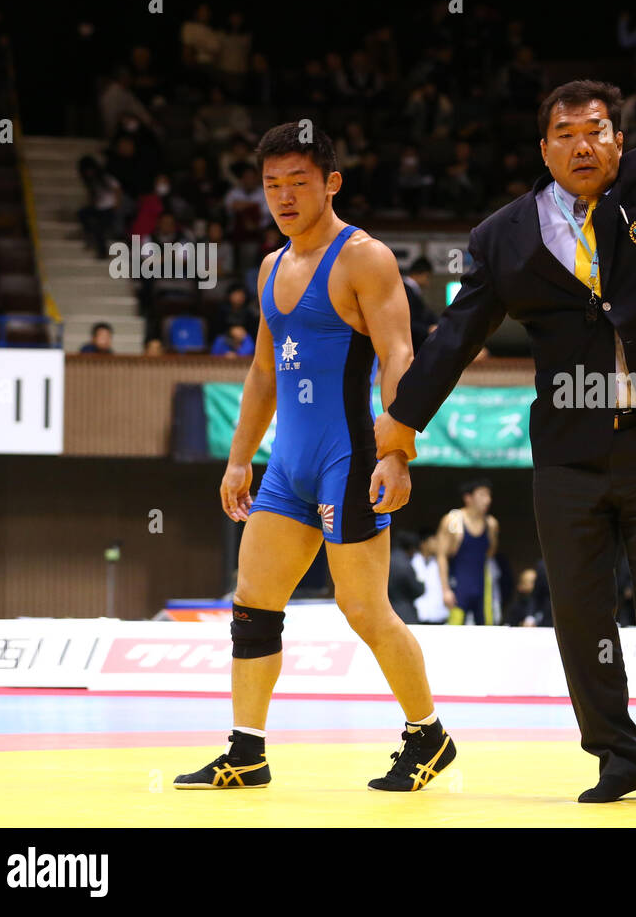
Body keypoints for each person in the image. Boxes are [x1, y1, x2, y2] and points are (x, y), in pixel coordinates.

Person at [374, 0, 636, 809]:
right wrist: (400, 427)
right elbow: (456, 335)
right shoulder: (503, 235)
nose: (582, 145)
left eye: (595, 130)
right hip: (567, 452)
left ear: (618, 136)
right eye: (564, 134)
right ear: (543, 148)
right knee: (579, 616)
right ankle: (617, 755)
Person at [175, 122, 454, 793]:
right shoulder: (272, 267)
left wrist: (398, 451)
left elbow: (398, 355)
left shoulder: (365, 258)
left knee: (364, 609)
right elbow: (264, 375)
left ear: (331, 182)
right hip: (289, 466)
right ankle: (247, 750)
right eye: (271, 185)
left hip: (349, 457)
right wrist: (240, 460)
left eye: (299, 182)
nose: (284, 197)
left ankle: (429, 734)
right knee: (253, 602)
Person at [434, 478, 500, 626]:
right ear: (468, 498)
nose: (487, 500)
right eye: (482, 495)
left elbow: (490, 553)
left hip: (482, 586)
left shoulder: (491, 524)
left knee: (486, 630)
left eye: (489, 495)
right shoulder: (452, 521)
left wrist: (492, 533)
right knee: (454, 631)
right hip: (459, 585)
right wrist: (445, 590)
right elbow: (441, 556)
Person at [411, 527, 448, 625]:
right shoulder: (412, 562)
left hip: (439, 615)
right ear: (423, 544)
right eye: (434, 540)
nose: (437, 544)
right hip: (418, 616)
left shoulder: (440, 563)